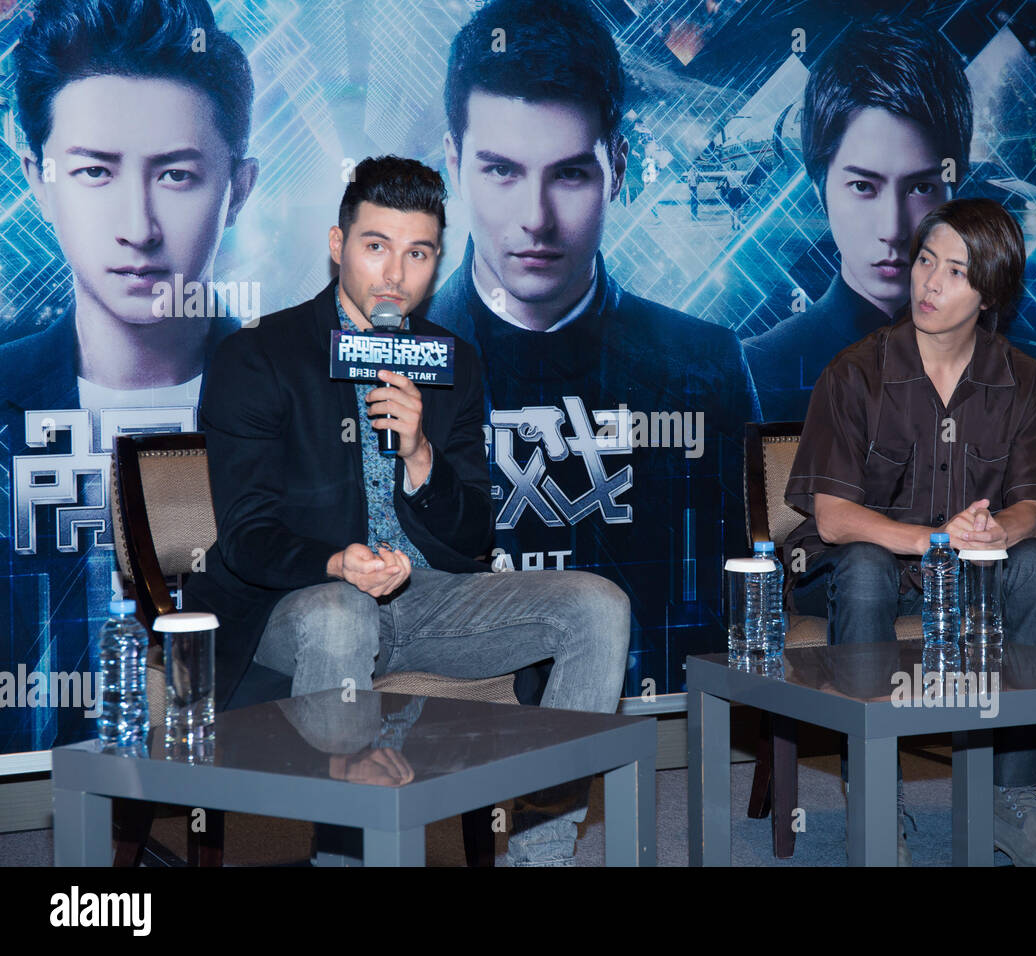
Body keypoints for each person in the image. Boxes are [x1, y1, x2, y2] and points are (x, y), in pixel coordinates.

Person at [184, 156, 631, 866]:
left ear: (436, 260)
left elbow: (470, 543)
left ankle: (540, 857)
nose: (395, 274)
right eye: (376, 246)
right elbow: (246, 537)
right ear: (338, 246)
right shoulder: (260, 356)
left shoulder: (451, 361)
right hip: (295, 603)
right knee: (342, 612)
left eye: (418, 252)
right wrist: (337, 562)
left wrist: (421, 453)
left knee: (597, 604)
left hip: (428, 601)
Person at [431, 0, 759, 702]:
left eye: (569, 174)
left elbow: (737, 585)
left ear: (617, 167)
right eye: (501, 172)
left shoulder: (704, 366)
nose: (535, 218)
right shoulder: (390, 359)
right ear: (453, 165)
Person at [785, 198, 1036, 867]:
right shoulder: (854, 372)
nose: (930, 283)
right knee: (862, 564)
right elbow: (832, 517)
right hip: (863, 583)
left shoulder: (1024, 379)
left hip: (969, 586)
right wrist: (939, 540)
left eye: (955, 271)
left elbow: (1032, 505)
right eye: (925, 261)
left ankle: (1012, 798)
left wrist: (992, 530)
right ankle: (874, 795)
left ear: (991, 294)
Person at [0, 0, 257, 752]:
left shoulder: (303, 399)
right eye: (95, 172)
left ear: (238, 188)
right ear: (37, 179)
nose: (138, 227)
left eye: (176, 175)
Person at [743, 17, 972, 423]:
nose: (893, 229)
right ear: (820, 190)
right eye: (864, 187)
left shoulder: (1021, 370)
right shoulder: (757, 376)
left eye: (920, 188)